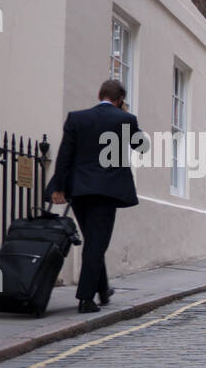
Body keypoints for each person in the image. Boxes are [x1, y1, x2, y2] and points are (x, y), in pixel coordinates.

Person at [45, 78, 140, 313]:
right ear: (119, 100)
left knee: (93, 241)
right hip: (106, 192)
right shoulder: (125, 119)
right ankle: (86, 299)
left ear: (99, 95)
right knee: (97, 244)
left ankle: (103, 290)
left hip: (79, 190)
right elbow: (141, 146)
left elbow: (64, 155)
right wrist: (125, 116)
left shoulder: (77, 118)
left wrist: (59, 188)